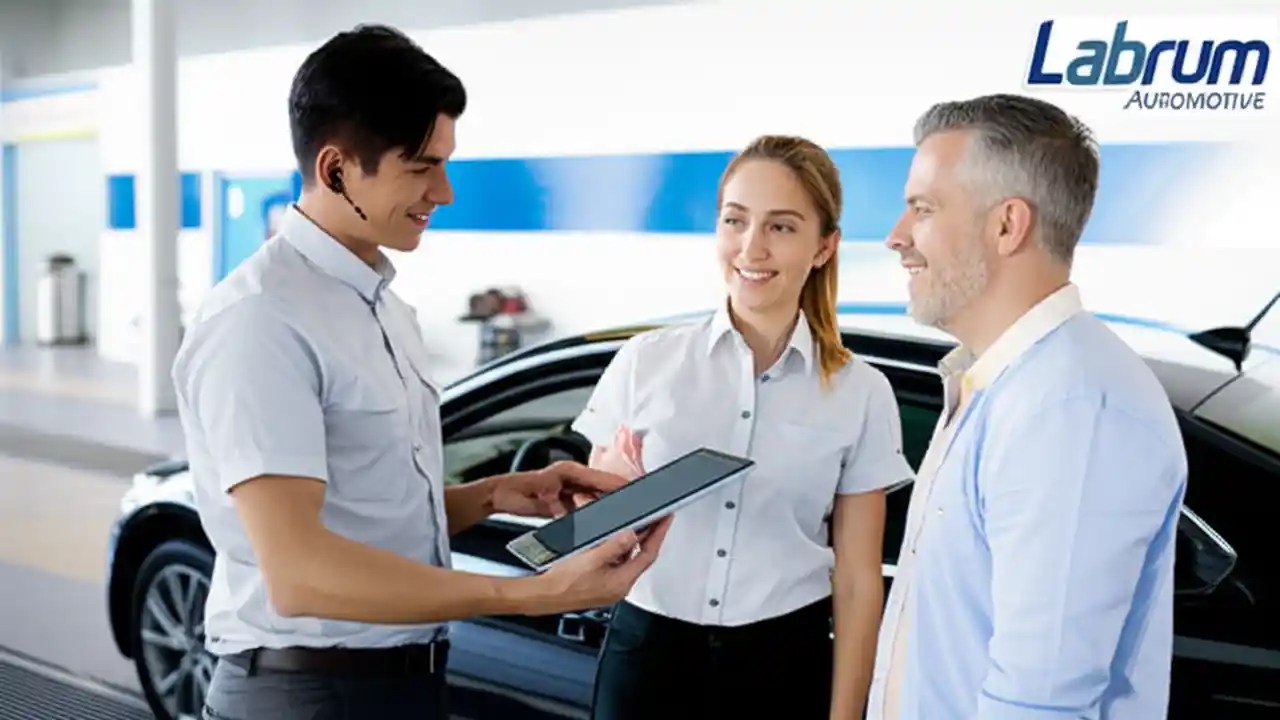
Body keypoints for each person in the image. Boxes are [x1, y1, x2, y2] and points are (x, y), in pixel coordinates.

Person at [171, 25, 671, 720]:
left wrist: (494, 494)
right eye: (421, 166)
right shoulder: (260, 321)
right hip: (307, 693)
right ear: (336, 170)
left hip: (400, 682)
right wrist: (531, 595)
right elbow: (298, 572)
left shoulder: (382, 306)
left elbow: (366, 507)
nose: (445, 191)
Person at [867, 93, 1188, 720]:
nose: (896, 237)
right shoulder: (1010, 386)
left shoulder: (1071, 410)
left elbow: (1039, 704)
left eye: (923, 209)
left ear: (1008, 225)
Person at [572, 135, 916, 719]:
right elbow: (590, 533)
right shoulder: (645, 362)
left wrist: (847, 715)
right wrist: (608, 502)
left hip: (785, 664)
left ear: (824, 247)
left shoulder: (861, 393)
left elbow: (859, 582)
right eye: (736, 220)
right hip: (648, 657)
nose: (751, 247)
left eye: (781, 227)